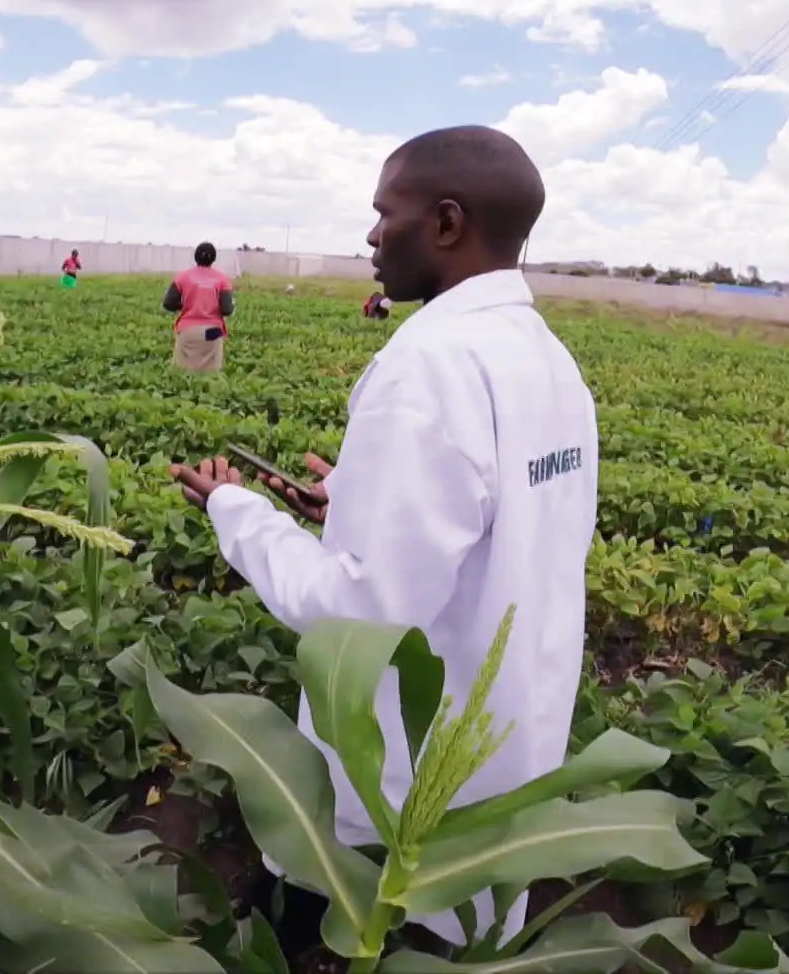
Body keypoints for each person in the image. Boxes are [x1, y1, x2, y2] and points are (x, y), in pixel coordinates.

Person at [169, 125, 598, 959]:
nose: (370, 236)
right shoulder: (548, 363)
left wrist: (237, 512)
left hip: (396, 811)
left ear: (445, 223)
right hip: (505, 776)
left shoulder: (430, 364)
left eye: (383, 214)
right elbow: (502, 527)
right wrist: (356, 504)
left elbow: (357, 612)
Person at [163, 241, 235, 372]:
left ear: (195, 257)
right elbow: (226, 309)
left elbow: (168, 304)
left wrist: (186, 305)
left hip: (187, 331)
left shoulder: (182, 277)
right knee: (211, 374)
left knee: (182, 372)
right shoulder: (222, 279)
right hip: (213, 332)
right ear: (213, 258)